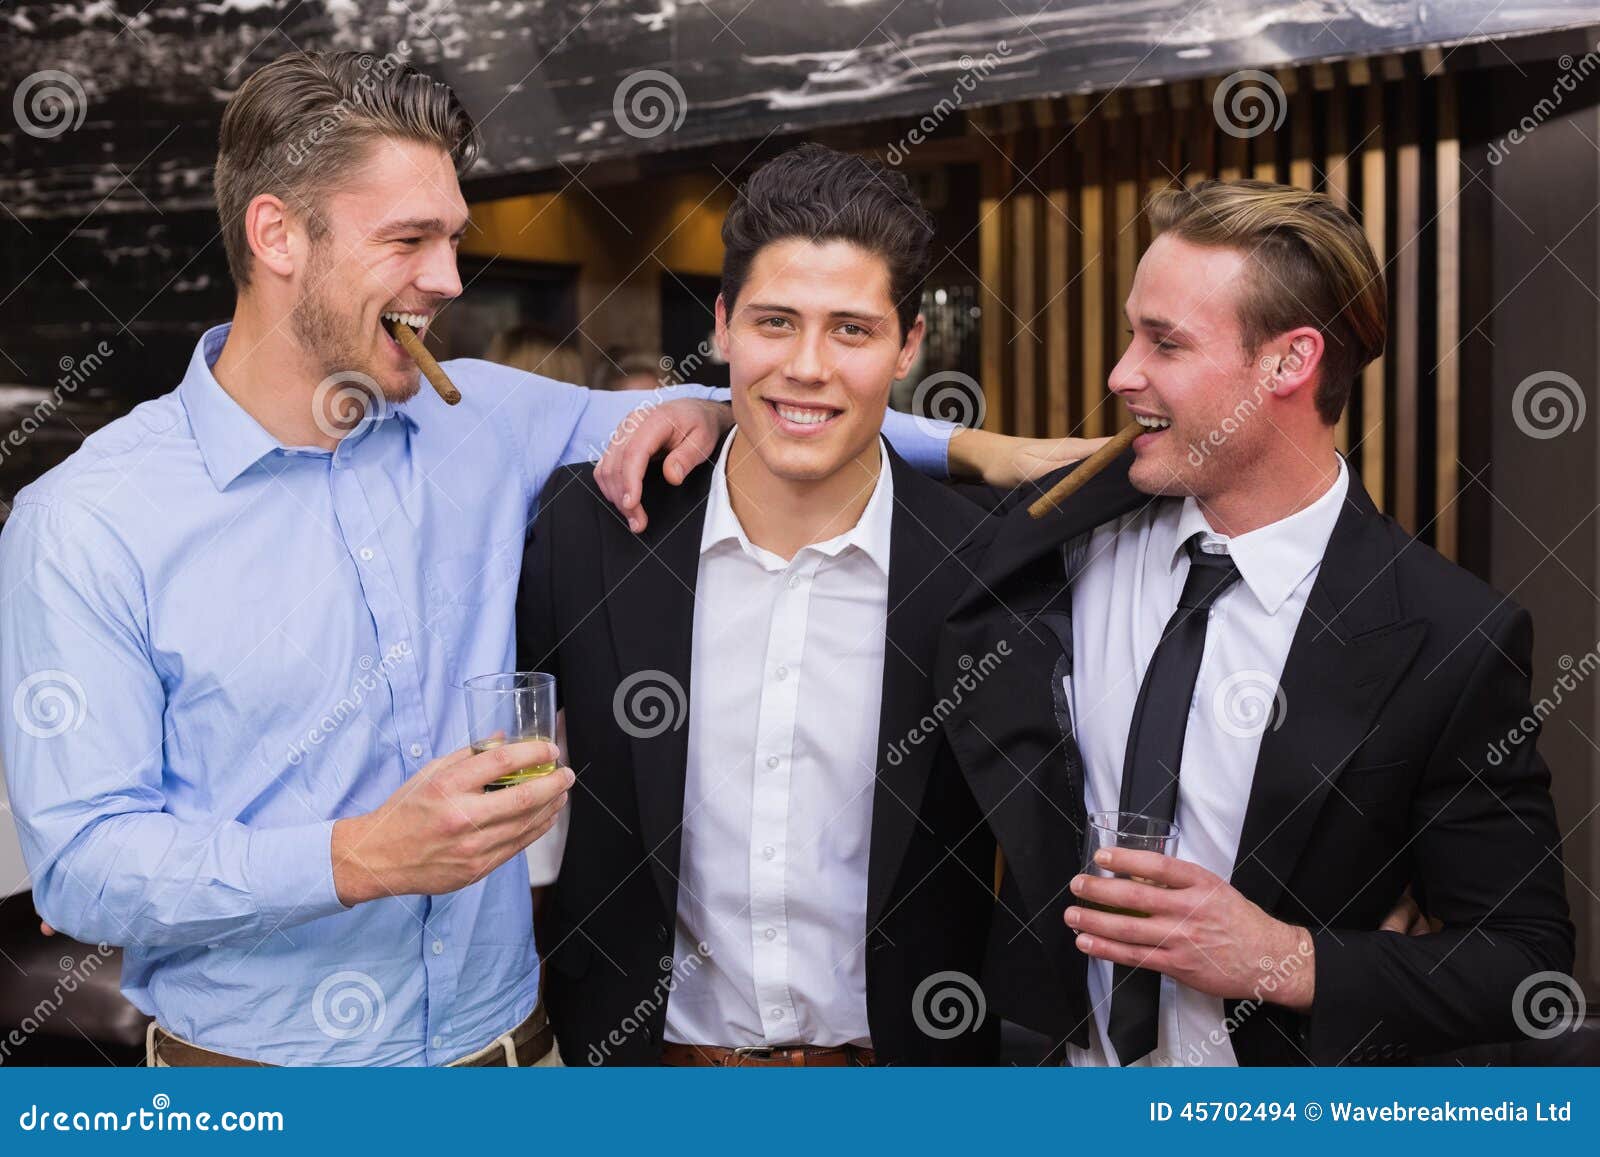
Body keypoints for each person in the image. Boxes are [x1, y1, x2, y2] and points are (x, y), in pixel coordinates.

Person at [0, 50, 1047, 1069]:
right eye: (410, 240)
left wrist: (980, 449)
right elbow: (83, 869)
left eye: (452, 238)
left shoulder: (487, 418)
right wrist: (358, 855)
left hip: (518, 1066)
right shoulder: (85, 521)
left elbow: (789, 407)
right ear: (276, 234)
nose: (449, 278)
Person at [940, 179, 1574, 1066]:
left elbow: (1526, 966)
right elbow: (829, 435)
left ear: (1289, 362)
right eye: (1132, 332)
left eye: (1164, 342)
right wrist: (695, 408)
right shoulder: (1059, 532)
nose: (1122, 373)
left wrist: (1285, 958)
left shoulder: (1450, 637)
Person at [517, 144, 1007, 1066]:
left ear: (908, 347)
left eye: (852, 331)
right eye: (776, 321)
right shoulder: (590, 531)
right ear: (724, 327)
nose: (808, 366)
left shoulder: (985, 560)